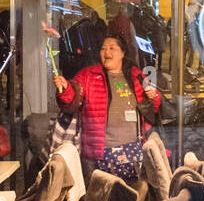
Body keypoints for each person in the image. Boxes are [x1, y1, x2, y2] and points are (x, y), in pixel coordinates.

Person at [54, 33, 161, 180]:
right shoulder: (88, 75)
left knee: (129, 196)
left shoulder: (136, 75)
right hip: (96, 154)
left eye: (112, 48)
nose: (107, 52)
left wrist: (153, 96)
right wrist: (65, 89)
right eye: (103, 48)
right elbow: (71, 100)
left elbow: (152, 109)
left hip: (131, 151)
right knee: (98, 199)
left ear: (123, 53)